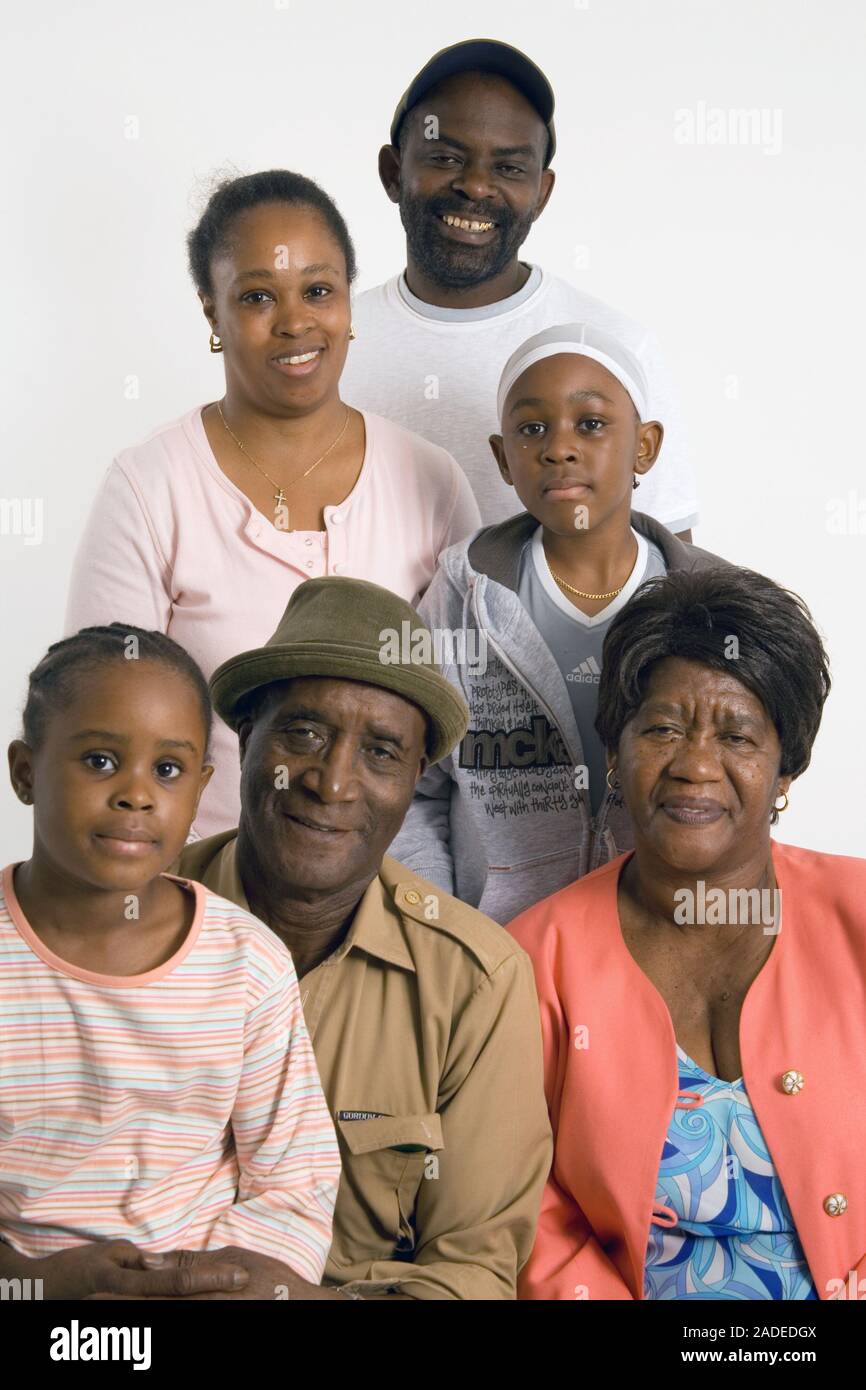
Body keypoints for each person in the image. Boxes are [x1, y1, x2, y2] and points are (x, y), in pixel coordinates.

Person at [65, 170, 480, 841]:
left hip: (388, 885)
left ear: (349, 299)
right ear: (213, 313)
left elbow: (469, 721)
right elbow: (101, 718)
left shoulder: (432, 479)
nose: (295, 322)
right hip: (203, 887)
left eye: (319, 290)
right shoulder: (150, 485)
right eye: (258, 296)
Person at [170, 576, 552, 1301]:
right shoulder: (126, 916)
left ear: (416, 778)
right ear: (248, 737)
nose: (333, 782)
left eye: (380, 752)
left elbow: (469, 1278)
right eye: (305, 733)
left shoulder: (474, 982)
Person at [509, 567, 866, 1301]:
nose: (696, 766)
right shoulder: (533, 960)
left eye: (737, 735)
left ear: (786, 769)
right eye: (663, 729)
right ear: (617, 752)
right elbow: (525, 1206)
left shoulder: (859, 915)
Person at [0, 625, 339, 1299]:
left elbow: (294, 1182)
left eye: (168, 769)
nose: (136, 794)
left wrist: (218, 1282)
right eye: (99, 761)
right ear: (26, 771)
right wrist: (35, 1282)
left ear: (200, 789)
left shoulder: (245, 964)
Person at [389, 323, 726, 924]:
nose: (559, 447)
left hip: (661, 943)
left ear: (645, 446)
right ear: (503, 457)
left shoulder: (715, 604)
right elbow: (414, 787)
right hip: (499, 956)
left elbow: (748, 784)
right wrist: (442, 925)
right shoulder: (462, 596)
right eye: (532, 428)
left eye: (591, 424)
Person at [340, 38, 698, 536]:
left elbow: (666, 574)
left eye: (508, 168)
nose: (477, 186)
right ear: (393, 172)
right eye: (445, 158)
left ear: (542, 193)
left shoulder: (615, 347)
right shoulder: (327, 342)